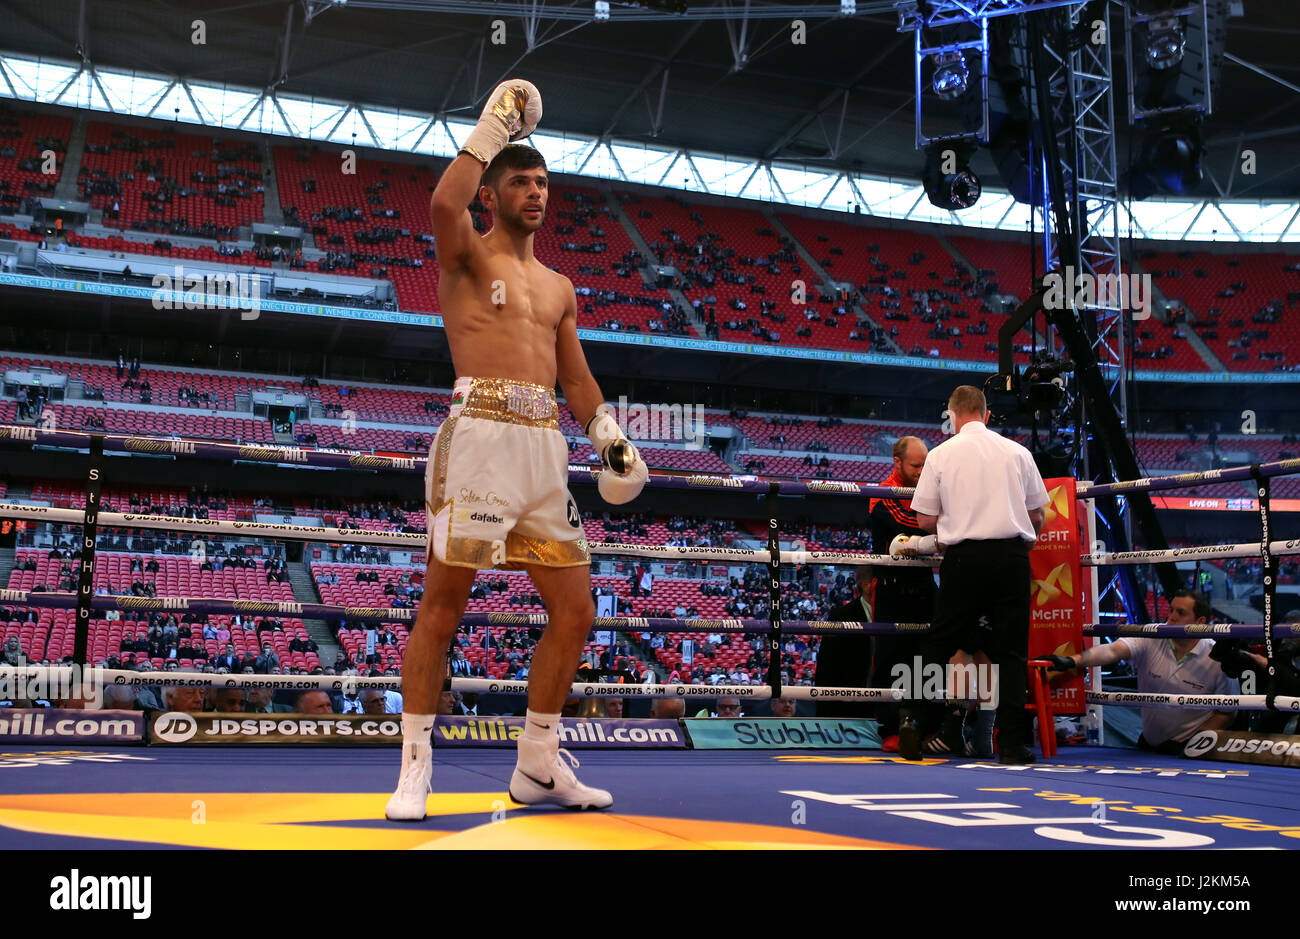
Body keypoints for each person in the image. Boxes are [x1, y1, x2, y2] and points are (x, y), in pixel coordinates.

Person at [387, 79, 649, 822]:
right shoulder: (466, 255)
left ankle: (537, 763)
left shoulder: (560, 285)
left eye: (542, 182)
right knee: (444, 606)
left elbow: (576, 378)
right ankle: (415, 767)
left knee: (576, 608)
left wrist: (611, 438)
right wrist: (494, 129)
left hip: (544, 449)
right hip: (478, 436)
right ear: (495, 195)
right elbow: (443, 203)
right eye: (521, 183)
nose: (535, 192)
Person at [909, 385, 1049, 765]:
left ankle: (915, 723)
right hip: (1011, 557)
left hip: (963, 558)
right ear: (986, 416)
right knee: (1011, 652)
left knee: (939, 642)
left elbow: (923, 519)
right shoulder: (1017, 452)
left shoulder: (940, 455)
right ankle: (1013, 745)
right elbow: (1038, 514)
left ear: (952, 417)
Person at [1043, 591, 1238, 753]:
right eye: (1171, 610)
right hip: (1147, 745)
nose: (1171, 617)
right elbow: (1113, 650)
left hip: (1188, 751)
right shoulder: (1153, 636)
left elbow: (1226, 712)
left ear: (1200, 621)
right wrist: (1072, 661)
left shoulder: (1217, 659)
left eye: (1181, 612)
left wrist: (1191, 745)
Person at [870, 437, 939, 746]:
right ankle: (891, 730)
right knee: (890, 660)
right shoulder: (880, 495)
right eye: (916, 465)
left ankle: (925, 725)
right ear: (897, 462)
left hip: (925, 586)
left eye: (925, 464)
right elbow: (903, 533)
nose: (922, 470)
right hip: (892, 589)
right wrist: (937, 533)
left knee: (930, 656)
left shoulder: (930, 492)